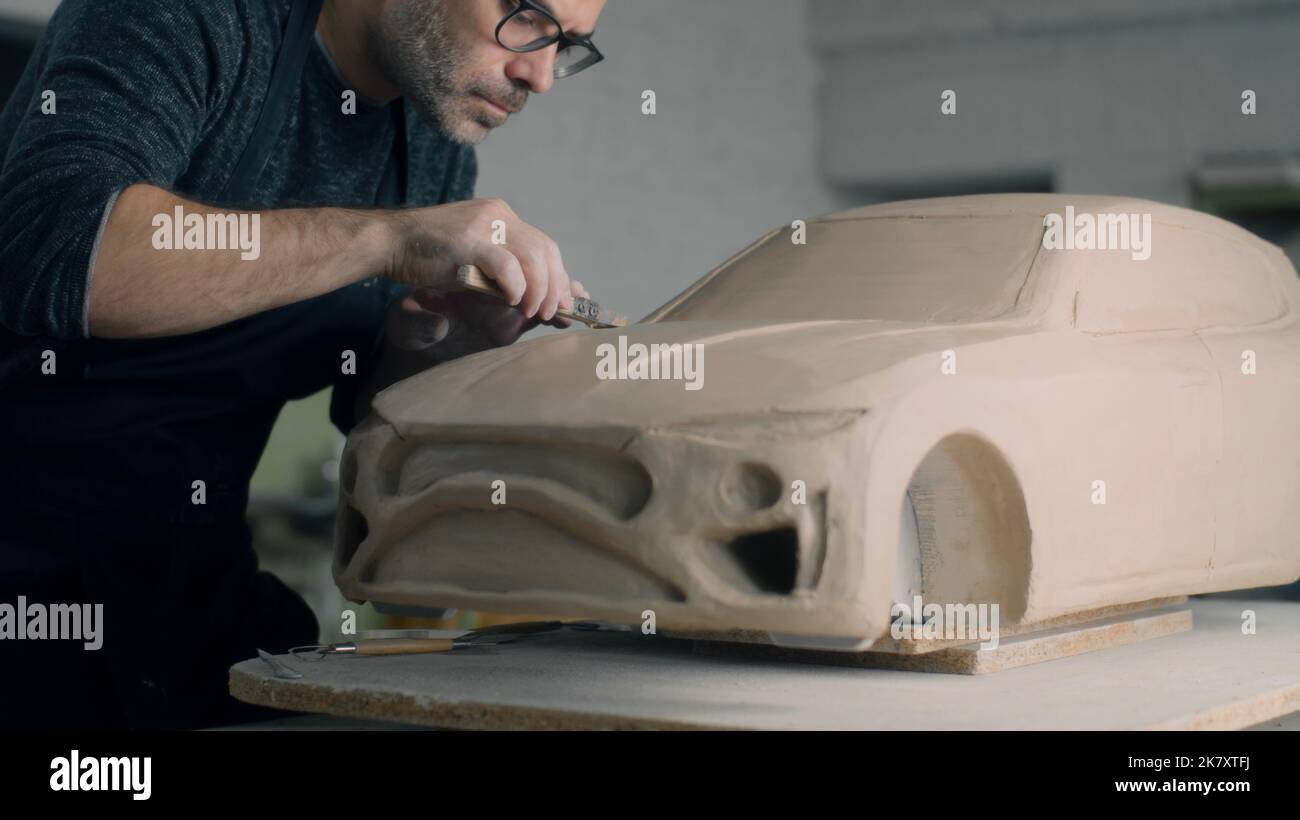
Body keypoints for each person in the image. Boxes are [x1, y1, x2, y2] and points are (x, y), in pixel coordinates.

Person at [0, 0, 607, 729]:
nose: (539, 73)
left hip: (187, 587)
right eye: (527, 14)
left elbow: (368, 415)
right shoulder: (188, 18)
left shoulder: (430, 144)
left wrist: (440, 343)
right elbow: (64, 253)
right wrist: (390, 241)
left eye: (569, 45)